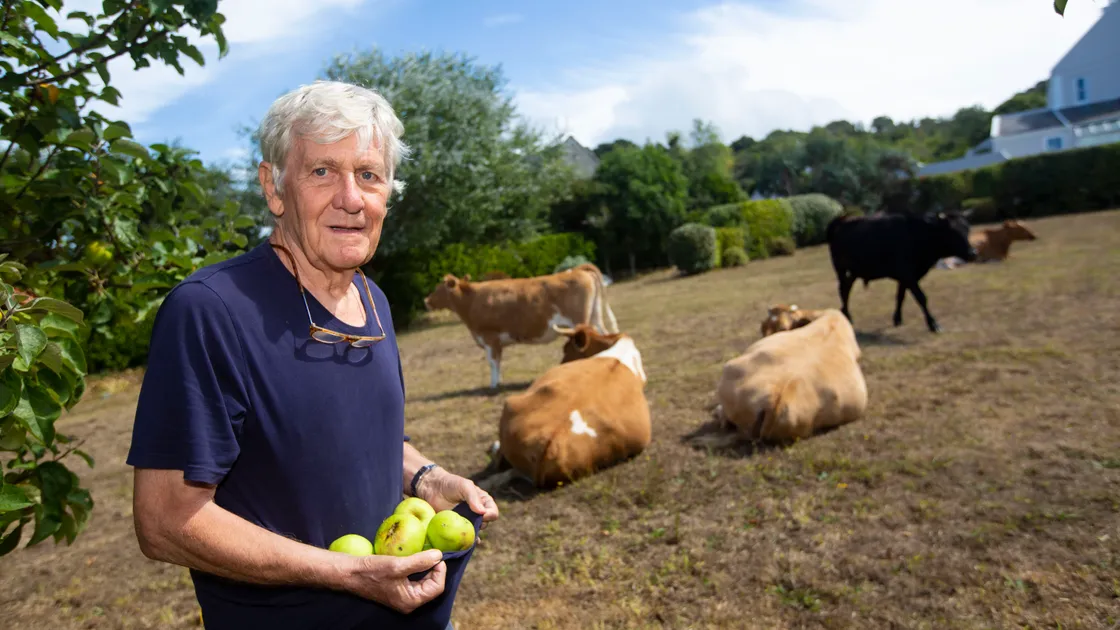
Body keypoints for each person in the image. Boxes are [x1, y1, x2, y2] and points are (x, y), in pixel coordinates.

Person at [126, 80, 499, 629]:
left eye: (369, 175)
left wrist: (428, 478)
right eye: (322, 171)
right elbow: (164, 521)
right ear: (274, 188)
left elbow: (358, 439)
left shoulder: (373, 301)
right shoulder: (210, 311)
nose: (351, 198)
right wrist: (348, 574)